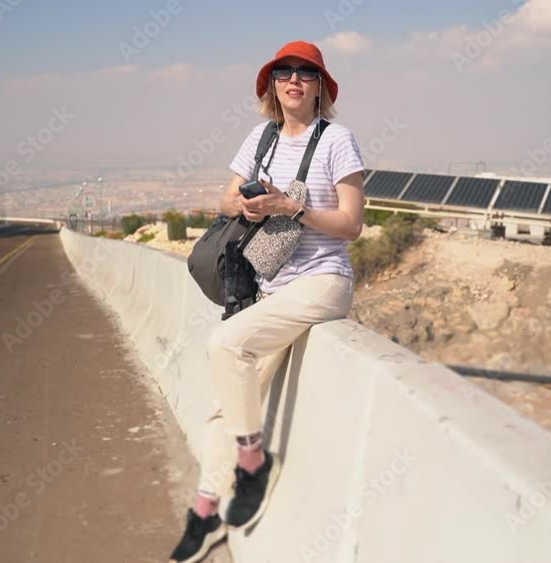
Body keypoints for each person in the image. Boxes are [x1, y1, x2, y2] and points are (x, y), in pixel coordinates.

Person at [169, 40, 366, 563]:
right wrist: (248, 205)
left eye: (306, 72)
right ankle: (206, 510)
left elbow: (352, 224)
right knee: (227, 406)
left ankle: (254, 465)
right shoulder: (261, 138)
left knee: (225, 344)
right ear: (271, 85)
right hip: (271, 286)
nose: (293, 80)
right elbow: (226, 199)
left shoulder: (338, 140)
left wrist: (290, 208)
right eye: (283, 72)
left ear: (321, 86)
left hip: (323, 281)